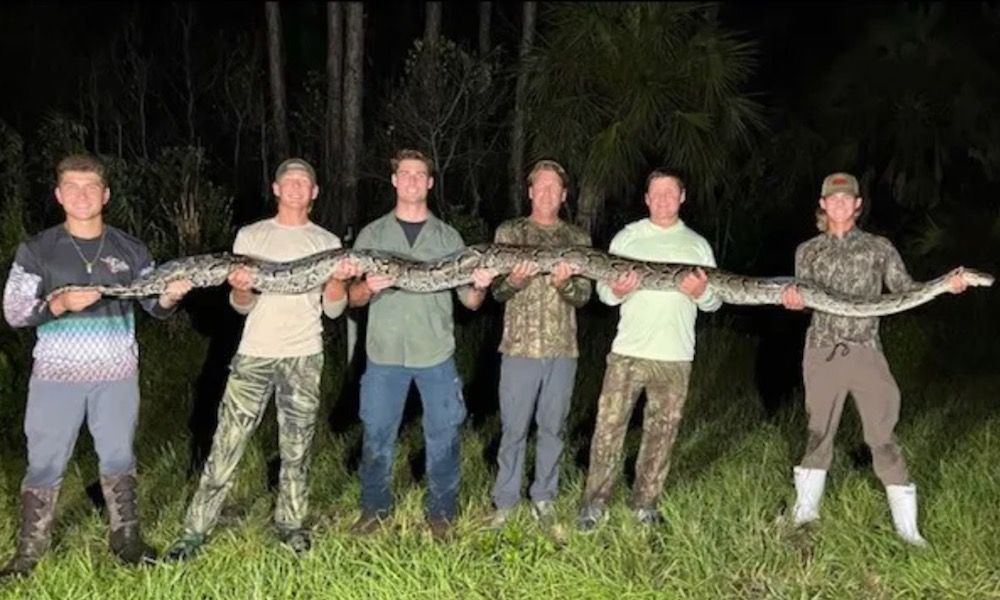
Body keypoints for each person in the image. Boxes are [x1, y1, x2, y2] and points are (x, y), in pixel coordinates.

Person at [0, 154, 192, 578]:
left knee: (119, 455)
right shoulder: (36, 250)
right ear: (58, 194)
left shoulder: (131, 249)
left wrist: (170, 296)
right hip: (55, 377)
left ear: (105, 195)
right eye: (72, 187)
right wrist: (59, 303)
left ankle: (127, 541)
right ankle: (28, 552)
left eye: (90, 188)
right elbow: (13, 312)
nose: (81, 195)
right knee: (45, 461)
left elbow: (153, 307)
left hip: (116, 376)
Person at [165, 158, 361, 560]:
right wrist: (239, 288)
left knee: (297, 448)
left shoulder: (327, 244)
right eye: (288, 181)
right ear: (275, 189)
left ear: (314, 192)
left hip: (304, 356)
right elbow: (241, 307)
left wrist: (338, 280)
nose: (295, 187)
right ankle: (195, 531)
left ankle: (291, 525)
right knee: (227, 442)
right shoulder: (251, 236)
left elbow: (335, 311)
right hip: (254, 355)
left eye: (303, 181)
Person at [780, 172, 970, 546]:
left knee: (882, 436)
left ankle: (909, 531)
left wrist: (945, 284)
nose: (838, 203)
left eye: (845, 198)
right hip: (822, 350)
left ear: (857, 204)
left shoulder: (879, 248)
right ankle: (805, 516)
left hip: (867, 351)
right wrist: (794, 302)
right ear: (822, 204)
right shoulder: (807, 251)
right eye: (831, 198)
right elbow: (805, 300)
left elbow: (906, 290)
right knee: (818, 432)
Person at [348, 149, 495, 541]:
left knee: (444, 434)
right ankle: (374, 510)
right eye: (405, 174)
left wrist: (481, 285)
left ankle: (442, 514)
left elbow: (470, 302)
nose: (412, 180)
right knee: (377, 434)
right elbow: (352, 298)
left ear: (430, 183)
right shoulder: (372, 236)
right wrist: (367, 287)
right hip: (384, 354)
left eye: (420, 175)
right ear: (394, 180)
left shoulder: (449, 237)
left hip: (436, 355)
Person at [577, 168, 721, 531]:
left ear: (682, 197)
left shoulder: (697, 245)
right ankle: (594, 504)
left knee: (662, 433)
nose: (663, 200)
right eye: (656, 194)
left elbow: (714, 302)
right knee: (609, 429)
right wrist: (619, 290)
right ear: (646, 198)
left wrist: (701, 293)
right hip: (628, 352)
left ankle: (645, 503)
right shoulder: (628, 238)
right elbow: (605, 294)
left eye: (670, 193)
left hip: (676, 357)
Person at [487, 160, 592, 530]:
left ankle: (544, 496)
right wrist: (513, 281)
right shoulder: (509, 232)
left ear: (563, 195)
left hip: (563, 349)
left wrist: (565, 284)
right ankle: (506, 500)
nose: (546, 193)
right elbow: (496, 292)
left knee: (553, 428)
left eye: (554, 188)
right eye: (540, 186)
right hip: (518, 348)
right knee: (513, 429)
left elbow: (582, 296)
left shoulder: (578, 240)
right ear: (530, 191)